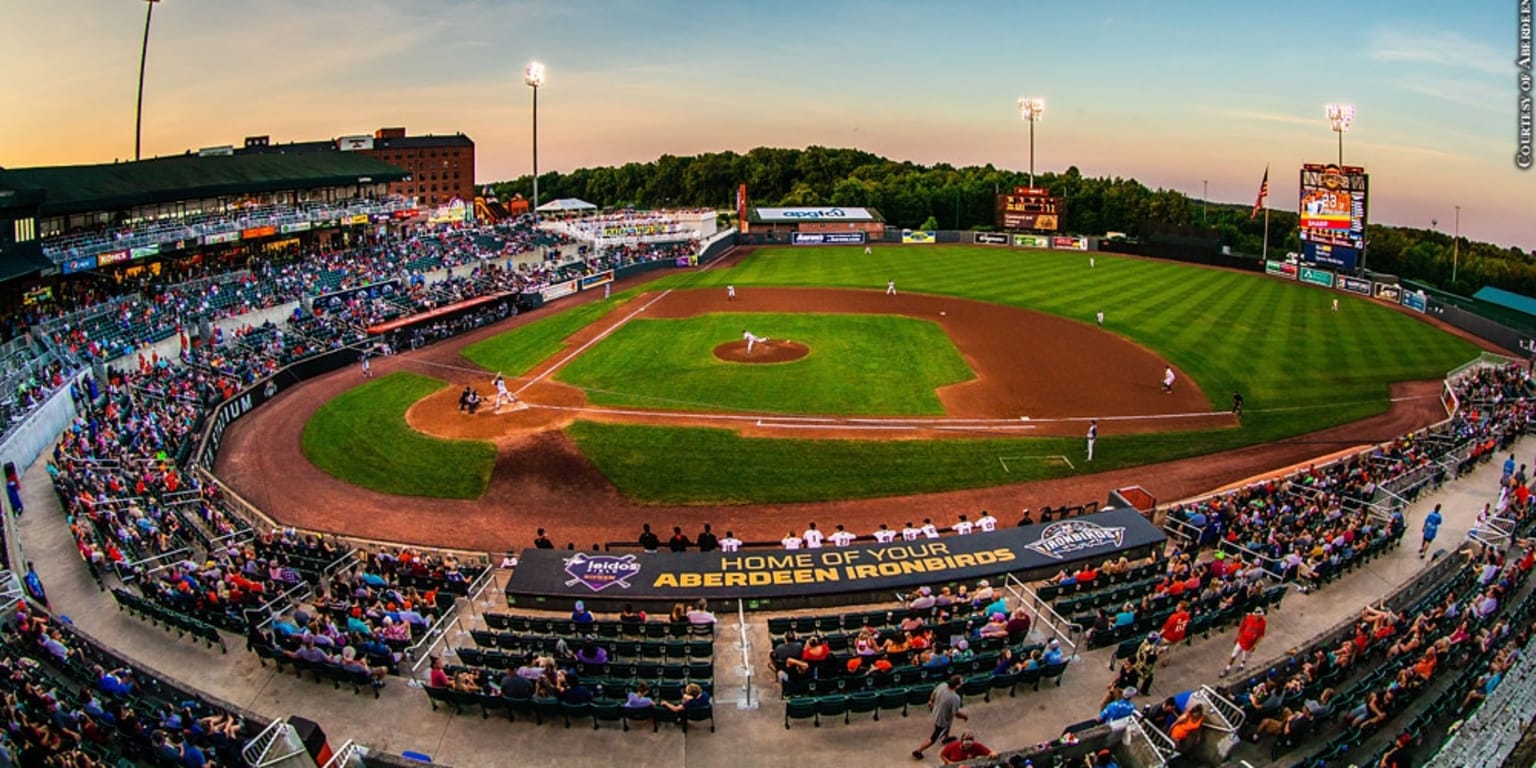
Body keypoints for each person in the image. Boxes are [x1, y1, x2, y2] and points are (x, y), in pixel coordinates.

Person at [913, 675, 967, 760]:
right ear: (957, 686)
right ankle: (919, 751)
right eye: (961, 683)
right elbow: (955, 713)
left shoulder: (942, 685)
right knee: (934, 738)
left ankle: (946, 737)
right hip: (941, 720)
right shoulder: (955, 698)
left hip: (936, 712)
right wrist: (964, 716)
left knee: (949, 722)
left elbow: (933, 693)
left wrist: (931, 701)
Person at [1221, 608, 1267, 677]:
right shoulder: (1249, 618)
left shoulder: (1263, 623)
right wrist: (1237, 637)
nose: (1257, 617)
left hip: (1250, 644)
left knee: (1244, 657)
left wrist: (1255, 645)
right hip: (1242, 640)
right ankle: (1227, 668)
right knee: (1234, 655)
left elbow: (1261, 635)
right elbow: (1242, 628)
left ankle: (1241, 665)